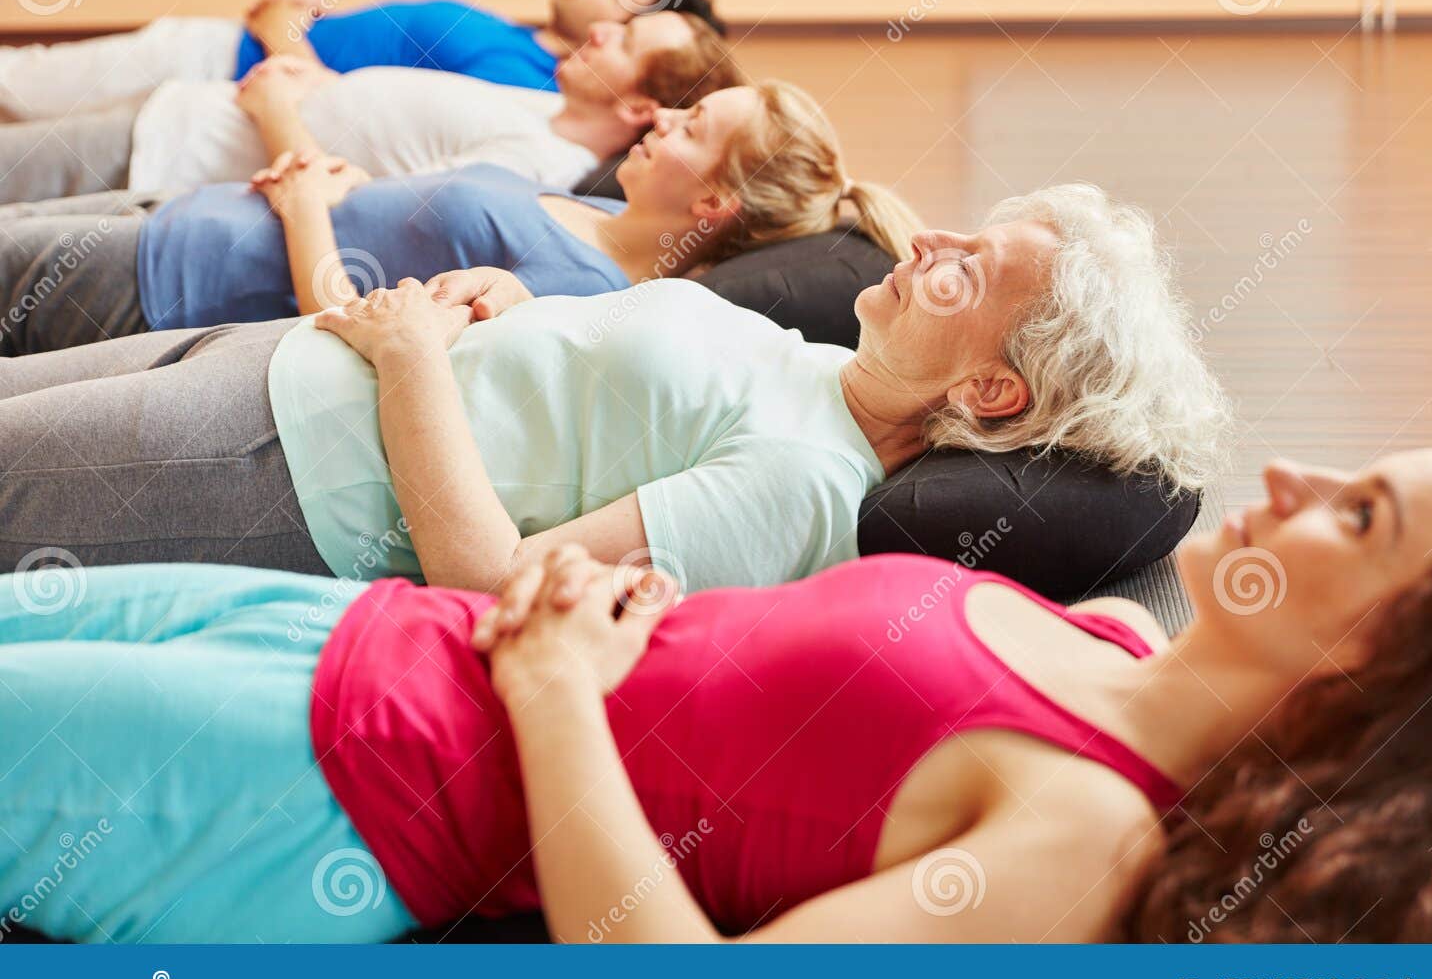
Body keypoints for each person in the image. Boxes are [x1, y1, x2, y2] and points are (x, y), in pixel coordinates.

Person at [1, 451, 1432, 943]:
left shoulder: (1080, 839)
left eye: (1360, 514)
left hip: (339, 786)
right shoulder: (1112, 640)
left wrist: (560, 694)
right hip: (379, 634)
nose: (1298, 474)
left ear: (1366, 669)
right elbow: (759, 725)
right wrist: (634, 621)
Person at [0, 183, 1223, 594]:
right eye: (963, 229)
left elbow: (488, 581)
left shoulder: (804, 489)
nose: (930, 244)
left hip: (272, 470)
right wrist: (514, 310)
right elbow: (599, 403)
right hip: (293, 361)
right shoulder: (821, 372)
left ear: (997, 395)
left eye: (971, 272)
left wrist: (421, 360)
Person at [0, 82, 864, 354]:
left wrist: (307, 214)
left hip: (174, 285)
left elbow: (367, 334)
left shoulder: (581, 288)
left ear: (714, 204)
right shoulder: (602, 204)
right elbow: (411, 230)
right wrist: (345, 179)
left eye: (692, 128)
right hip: (192, 215)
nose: (661, 121)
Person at [0, 8, 742, 203]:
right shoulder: (532, 99)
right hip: (187, 112)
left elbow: (358, 207)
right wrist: (312, 85)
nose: (602, 28)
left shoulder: (539, 166)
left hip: (169, 158)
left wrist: (276, 110)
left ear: (644, 105)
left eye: (625, 42)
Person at [0, 0, 726, 120]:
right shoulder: (523, 45)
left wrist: (281, 30)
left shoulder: (524, 85)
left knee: (18, 89)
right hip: (222, 54)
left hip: (222, 77)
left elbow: (355, 116)